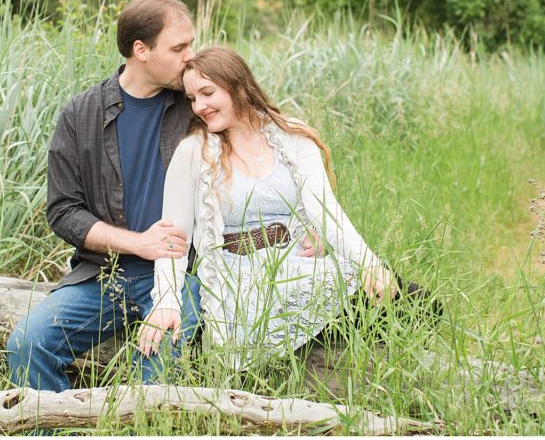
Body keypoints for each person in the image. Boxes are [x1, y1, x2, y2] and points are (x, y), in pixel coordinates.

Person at [139, 47, 399, 369]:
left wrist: (369, 263)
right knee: (256, 367)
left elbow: (324, 210)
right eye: (192, 98)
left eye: (207, 93)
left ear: (238, 86)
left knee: (410, 299)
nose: (199, 106)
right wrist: (166, 301)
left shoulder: (291, 137)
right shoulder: (193, 152)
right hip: (237, 281)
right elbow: (174, 239)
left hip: (298, 266)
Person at [6, 0, 203, 391]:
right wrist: (138, 244)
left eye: (191, 45)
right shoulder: (81, 114)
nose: (190, 57)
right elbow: (63, 211)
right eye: (179, 47)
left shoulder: (196, 104)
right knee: (28, 344)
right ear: (140, 50)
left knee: (156, 369)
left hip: (179, 277)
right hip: (102, 276)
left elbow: (257, 152)